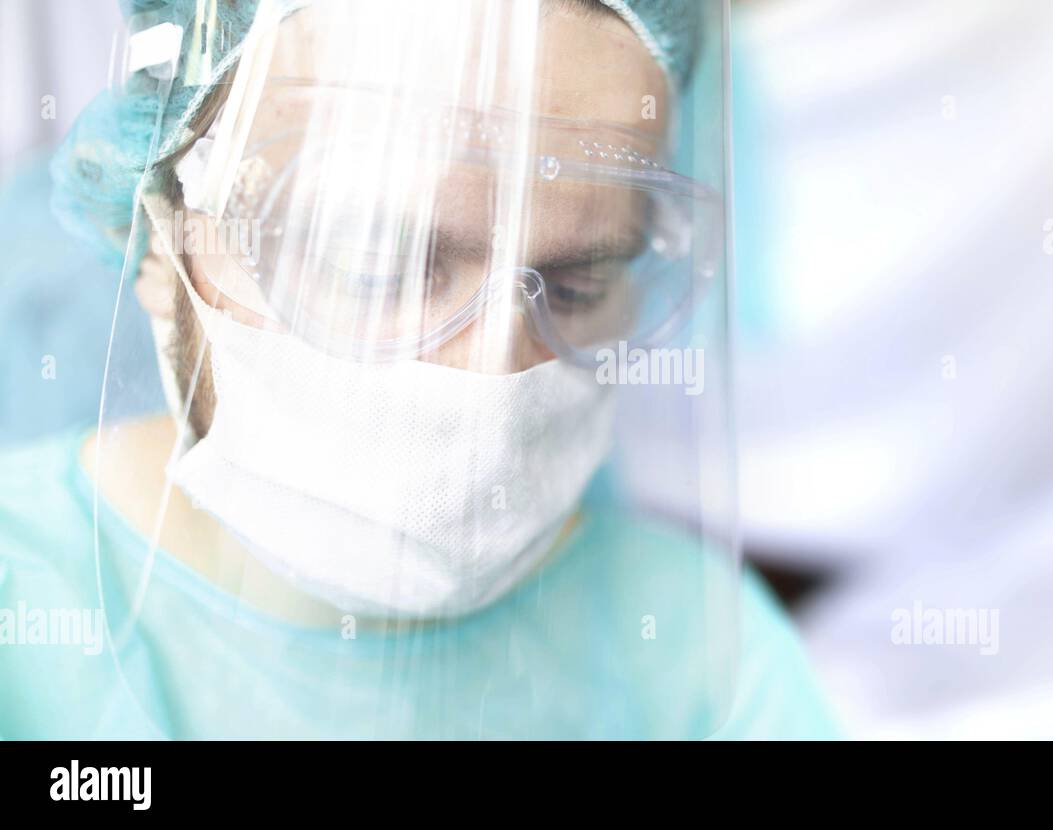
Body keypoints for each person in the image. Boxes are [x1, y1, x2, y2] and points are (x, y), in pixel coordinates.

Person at [0, 0, 837, 739]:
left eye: (579, 284)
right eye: (377, 260)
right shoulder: (25, 620)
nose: (494, 378)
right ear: (160, 232)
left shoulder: (692, 651)